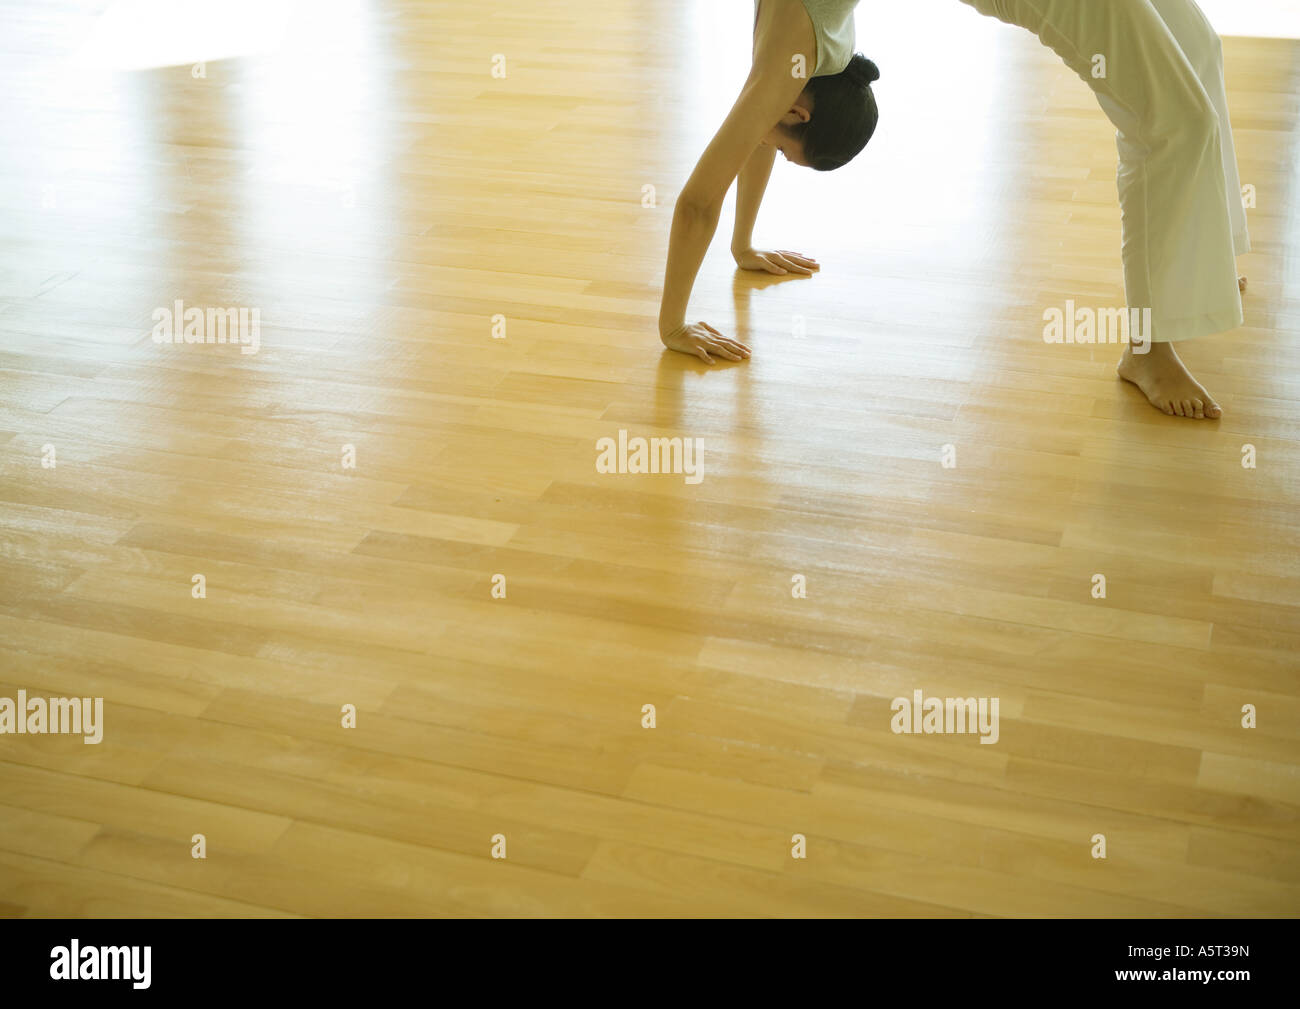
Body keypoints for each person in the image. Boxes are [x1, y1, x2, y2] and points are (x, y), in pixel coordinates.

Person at [657, 0, 1250, 420]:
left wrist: (674, 324)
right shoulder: (795, 58)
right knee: (1174, 118)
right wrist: (742, 245)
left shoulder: (791, 58)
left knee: (1198, 49)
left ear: (798, 114)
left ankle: (1201, 256)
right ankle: (1149, 347)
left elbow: (695, 203)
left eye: (782, 149)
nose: (767, 138)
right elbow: (757, 124)